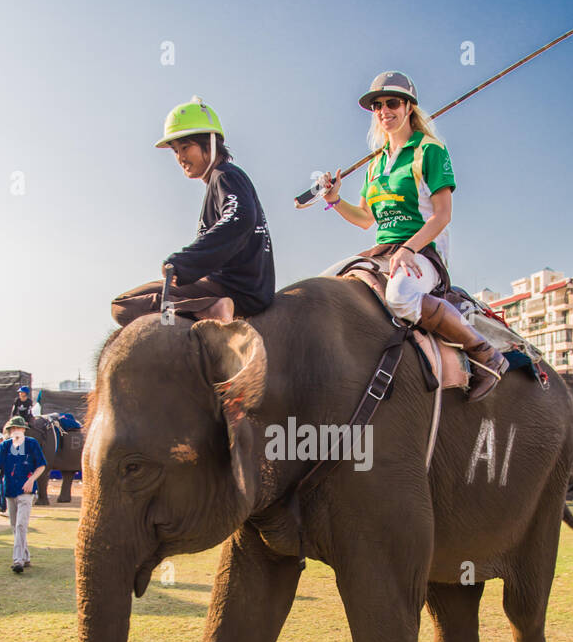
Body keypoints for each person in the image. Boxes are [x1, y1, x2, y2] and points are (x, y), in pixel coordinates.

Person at [320, 71, 508, 400]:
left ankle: (485, 355)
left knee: (401, 295)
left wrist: (408, 249)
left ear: (409, 107)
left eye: (392, 102)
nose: (383, 111)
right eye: (377, 106)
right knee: (325, 285)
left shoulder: (430, 151)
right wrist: (335, 200)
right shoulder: (375, 164)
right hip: (383, 249)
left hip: (424, 251)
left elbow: (442, 215)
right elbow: (366, 219)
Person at [153, 96, 275, 321]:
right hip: (246, 289)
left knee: (123, 305)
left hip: (233, 289)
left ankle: (212, 309)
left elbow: (240, 217)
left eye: (186, 147)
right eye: (175, 150)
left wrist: (183, 262)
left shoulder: (225, 176)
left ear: (210, 143)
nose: (180, 157)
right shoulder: (224, 179)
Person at [0, 416, 47, 573]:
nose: (15, 431)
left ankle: (18, 560)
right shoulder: (5, 446)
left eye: (18, 429)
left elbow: (41, 466)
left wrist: (31, 480)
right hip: (10, 490)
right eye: (13, 429)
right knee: (15, 526)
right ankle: (25, 556)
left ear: (24, 430)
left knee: (21, 524)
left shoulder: (32, 444)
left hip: (26, 491)